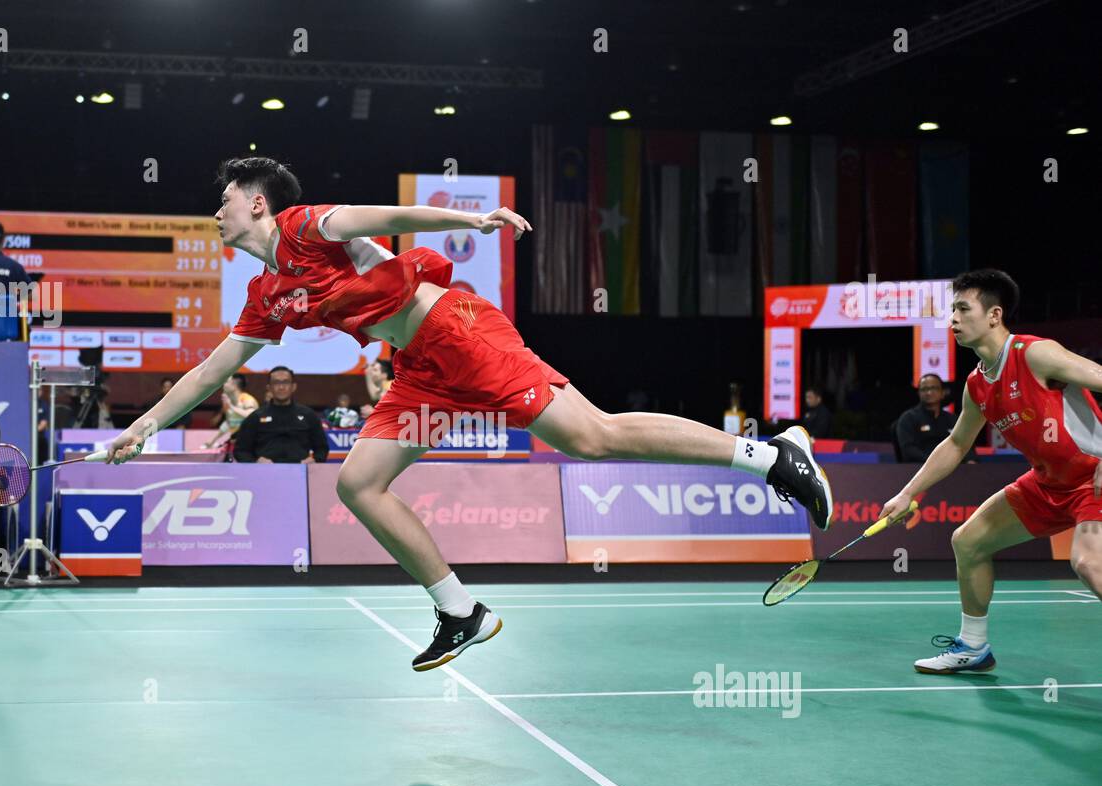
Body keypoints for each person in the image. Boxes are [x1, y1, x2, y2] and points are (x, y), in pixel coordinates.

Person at [105, 156, 832, 671]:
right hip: (422, 373)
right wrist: (143, 427)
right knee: (359, 483)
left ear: (256, 201)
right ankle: (460, 613)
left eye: (225, 198)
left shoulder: (304, 224)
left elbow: (386, 214)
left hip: (460, 334)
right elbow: (212, 370)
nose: (217, 210)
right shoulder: (268, 293)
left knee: (592, 437)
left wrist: (471, 220)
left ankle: (770, 456)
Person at [880, 269, 1102, 674]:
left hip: (1094, 478)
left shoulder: (1036, 354)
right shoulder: (976, 386)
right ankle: (973, 646)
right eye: (952, 310)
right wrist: (908, 493)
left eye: (963, 309)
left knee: (1089, 563)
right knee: (968, 542)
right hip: (1048, 482)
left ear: (995, 315)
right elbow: (956, 444)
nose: (953, 319)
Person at [232, 366, 329, 464]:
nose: (281, 387)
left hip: (300, 473)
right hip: (264, 474)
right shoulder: (256, 417)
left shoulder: (308, 415)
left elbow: (322, 449)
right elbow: (241, 451)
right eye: (276, 382)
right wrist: (255, 462)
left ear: (293, 387)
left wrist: (314, 460)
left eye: (286, 382)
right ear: (269, 388)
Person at [895, 374, 975, 464]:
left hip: (954, 469)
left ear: (943, 392)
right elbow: (908, 450)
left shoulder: (954, 420)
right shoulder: (908, 418)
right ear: (918, 393)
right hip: (920, 469)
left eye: (934, 388)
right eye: (924, 389)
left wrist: (970, 460)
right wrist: (934, 463)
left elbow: (966, 445)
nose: (929, 392)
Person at [203, 374, 259, 450]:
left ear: (234, 385)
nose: (223, 384)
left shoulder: (247, 399)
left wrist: (231, 407)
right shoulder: (229, 402)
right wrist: (212, 441)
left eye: (226, 382)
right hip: (237, 443)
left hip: (252, 444)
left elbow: (252, 414)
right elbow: (229, 424)